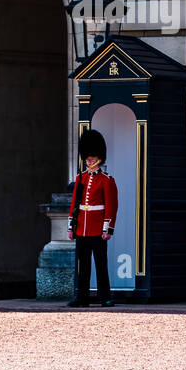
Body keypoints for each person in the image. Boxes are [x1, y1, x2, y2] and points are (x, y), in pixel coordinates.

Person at [67, 128, 118, 307]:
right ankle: (82, 297)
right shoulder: (80, 178)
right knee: (84, 265)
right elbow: (75, 204)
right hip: (82, 227)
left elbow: (111, 206)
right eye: (87, 158)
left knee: (100, 264)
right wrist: (71, 227)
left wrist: (107, 229)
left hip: (97, 228)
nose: (88, 160)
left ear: (99, 159)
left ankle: (105, 297)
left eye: (91, 158)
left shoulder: (106, 180)